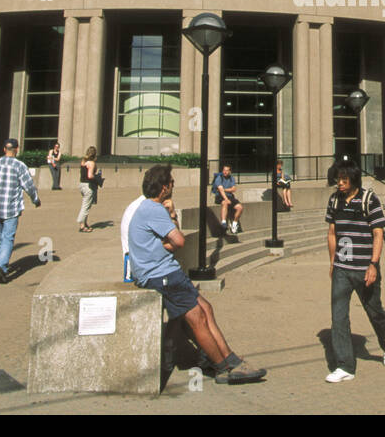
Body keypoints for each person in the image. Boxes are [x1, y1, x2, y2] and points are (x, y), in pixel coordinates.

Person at [127, 164, 266, 385]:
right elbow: (179, 241)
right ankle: (222, 366)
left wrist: (170, 218)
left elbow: (170, 240)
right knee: (197, 317)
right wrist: (168, 233)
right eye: (171, 181)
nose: (174, 184)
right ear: (163, 187)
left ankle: (230, 358)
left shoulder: (149, 208)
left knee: (206, 308)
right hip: (162, 275)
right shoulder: (153, 209)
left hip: (165, 271)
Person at [325, 161, 385, 382]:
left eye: (344, 179)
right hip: (342, 269)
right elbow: (331, 232)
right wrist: (332, 262)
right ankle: (345, 366)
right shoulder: (334, 200)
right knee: (339, 318)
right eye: (338, 179)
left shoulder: (369, 200)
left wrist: (373, 264)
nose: (340, 183)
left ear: (354, 179)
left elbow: (377, 234)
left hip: (364, 268)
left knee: (374, 311)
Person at [0, 138, 41, 284]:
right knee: (8, 237)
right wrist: (35, 199)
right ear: (17, 149)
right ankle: (1, 266)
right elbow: (29, 186)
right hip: (11, 207)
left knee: (0, 237)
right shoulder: (20, 166)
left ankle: (2, 264)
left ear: (4, 149)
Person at [212, 164, 242, 234]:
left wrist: (224, 189)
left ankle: (234, 224)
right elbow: (220, 190)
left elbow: (234, 189)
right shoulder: (219, 178)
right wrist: (226, 199)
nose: (225, 172)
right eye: (224, 170)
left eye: (227, 170)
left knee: (240, 207)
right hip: (220, 197)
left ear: (230, 172)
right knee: (225, 203)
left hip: (230, 196)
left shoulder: (231, 178)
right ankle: (223, 222)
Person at [77, 146, 101, 232]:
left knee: (86, 204)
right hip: (88, 186)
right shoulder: (91, 163)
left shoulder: (83, 161)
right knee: (86, 206)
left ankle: (85, 223)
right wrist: (97, 178)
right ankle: (82, 225)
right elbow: (90, 175)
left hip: (82, 184)